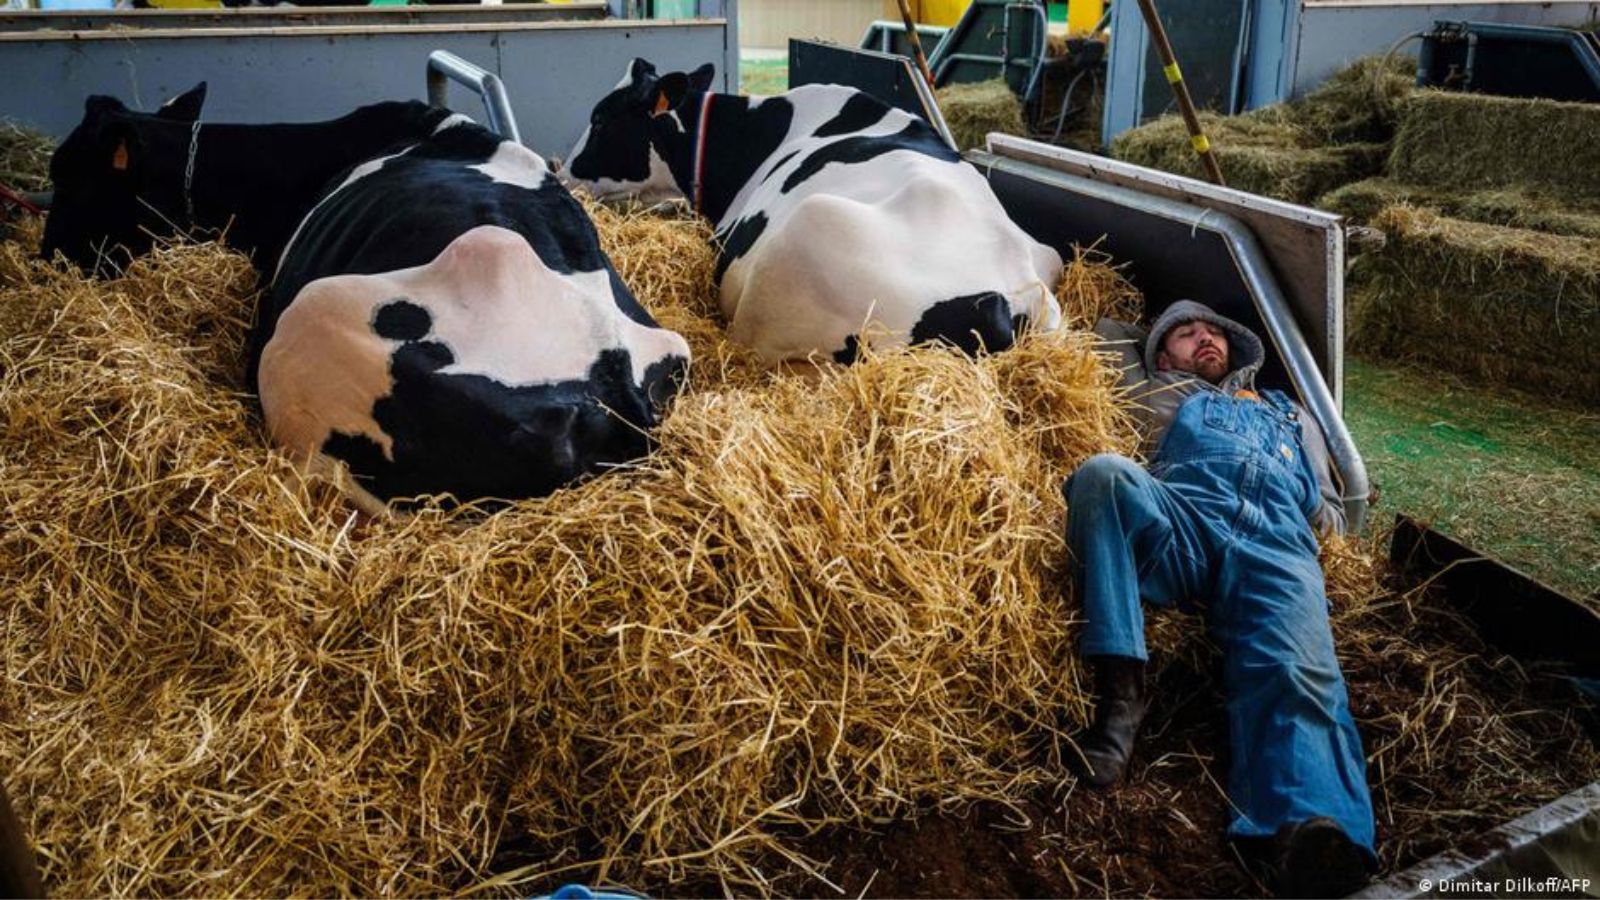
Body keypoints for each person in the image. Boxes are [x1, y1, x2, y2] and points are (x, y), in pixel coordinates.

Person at [1063, 300, 1375, 897]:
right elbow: (1105, 332)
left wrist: (1316, 519)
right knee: (1103, 474)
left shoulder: (1292, 413)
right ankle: (1121, 701)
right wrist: (1159, 341)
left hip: (1277, 544)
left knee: (1298, 671)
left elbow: (1334, 513)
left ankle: (1308, 828)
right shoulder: (1152, 390)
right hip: (1184, 518)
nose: (1205, 338)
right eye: (1185, 334)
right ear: (1159, 353)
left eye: (1214, 332)